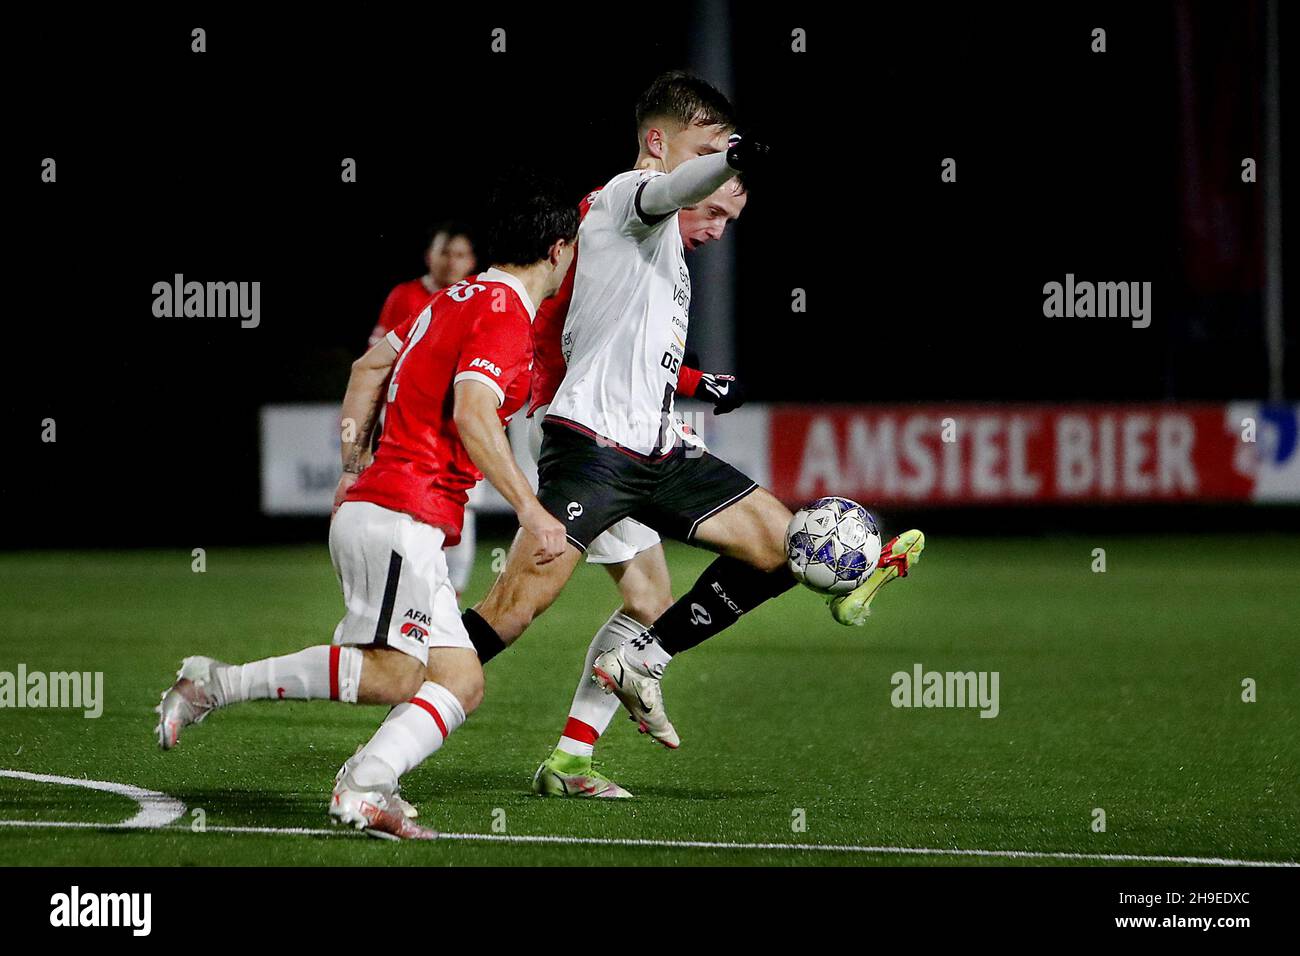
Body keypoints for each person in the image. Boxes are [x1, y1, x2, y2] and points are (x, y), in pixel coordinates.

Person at [460, 71, 926, 766]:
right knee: (514, 612)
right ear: (661, 144)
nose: (717, 224)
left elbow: (627, 338)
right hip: (584, 438)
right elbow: (669, 192)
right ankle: (386, 696)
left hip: (650, 445)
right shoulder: (630, 198)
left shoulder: (663, 246)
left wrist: (696, 379)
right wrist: (732, 161)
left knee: (781, 549)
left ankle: (625, 685)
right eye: (708, 155)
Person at [156, 183, 578, 839]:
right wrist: (530, 507)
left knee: (461, 680)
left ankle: (367, 785)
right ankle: (215, 684)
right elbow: (471, 412)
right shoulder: (502, 310)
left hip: (402, 512)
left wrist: (352, 464)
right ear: (557, 250)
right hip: (400, 513)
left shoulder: (450, 299)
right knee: (391, 675)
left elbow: (366, 367)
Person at [369, 223, 481, 596]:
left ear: (472, 260)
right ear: (429, 256)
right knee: (409, 506)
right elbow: (374, 360)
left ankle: (450, 594)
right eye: (445, 252)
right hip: (410, 419)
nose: (452, 261)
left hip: (459, 421)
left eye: (460, 254)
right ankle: (409, 587)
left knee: (460, 506)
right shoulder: (405, 296)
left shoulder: (476, 297)